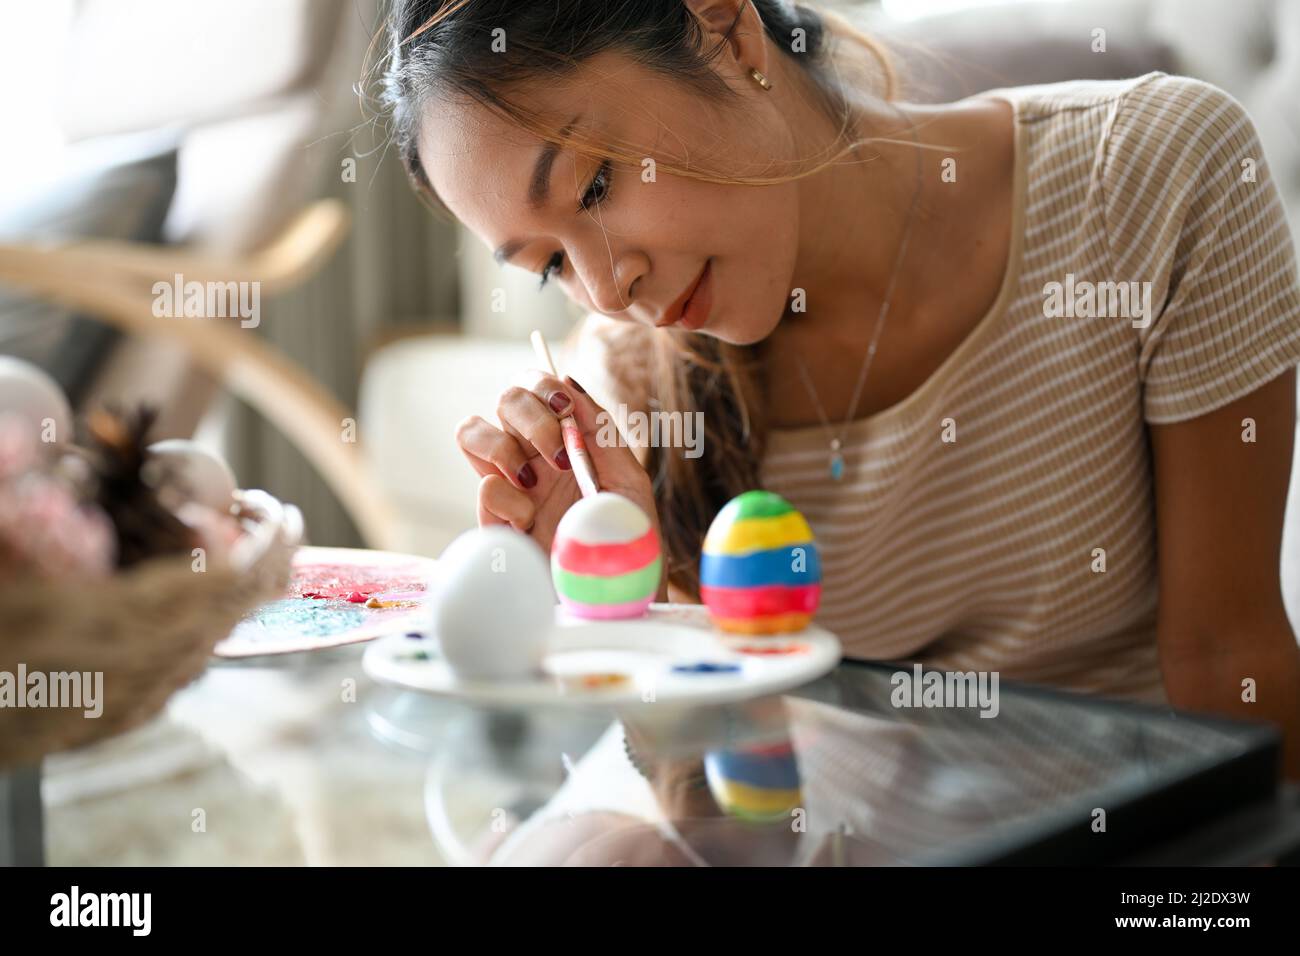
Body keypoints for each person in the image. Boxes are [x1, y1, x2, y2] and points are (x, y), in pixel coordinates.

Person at [373, 0, 1300, 790]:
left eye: (599, 185)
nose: (607, 292)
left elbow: (1228, 660)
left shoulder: (1149, 176)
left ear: (726, 32)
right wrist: (628, 618)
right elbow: (716, 818)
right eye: (547, 269)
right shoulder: (631, 391)